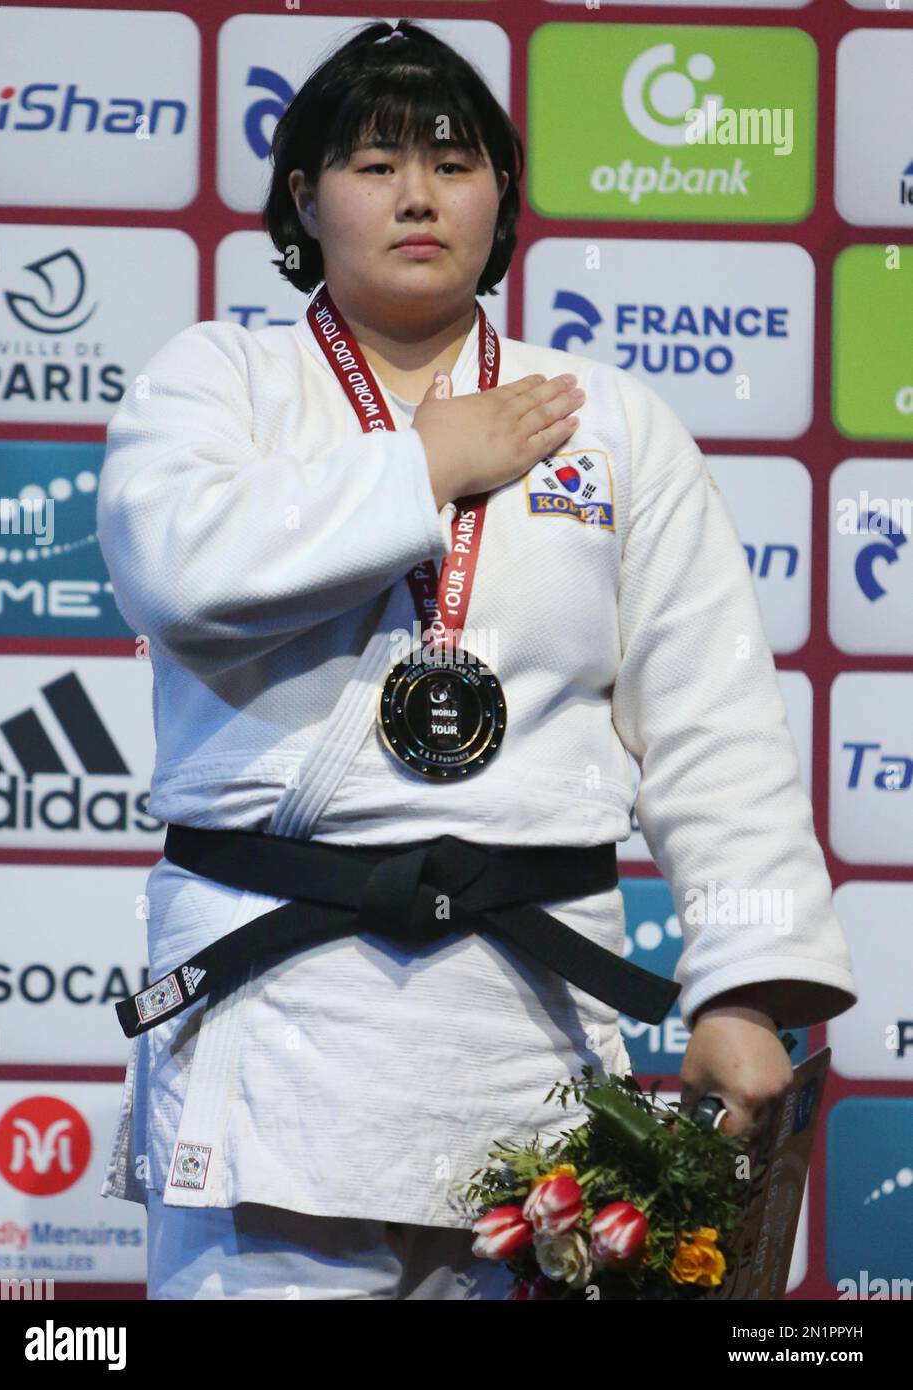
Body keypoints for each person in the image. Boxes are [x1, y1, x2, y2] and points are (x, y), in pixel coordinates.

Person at [97, 18, 858, 1300]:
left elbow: (710, 719)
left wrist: (741, 983)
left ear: (499, 198)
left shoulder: (603, 420)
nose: (414, 195)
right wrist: (433, 464)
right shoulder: (219, 380)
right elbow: (177, 567)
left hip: (530, 1035)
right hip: (281, 1028)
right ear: (304, 196)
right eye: (374, 162)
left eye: (452, 165)